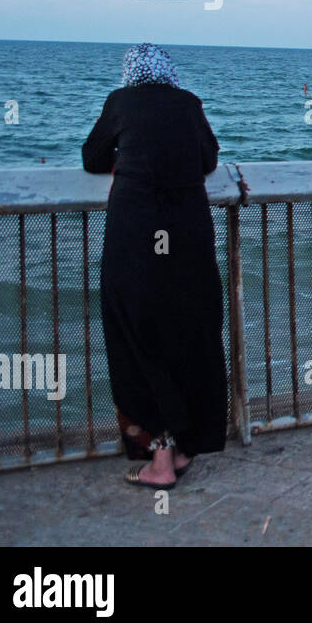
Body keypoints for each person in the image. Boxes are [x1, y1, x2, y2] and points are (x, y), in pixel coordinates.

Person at [81, 44, 227, 490]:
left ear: (131, 72)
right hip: (189, 239)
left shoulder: (120, 102)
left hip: (136, 239)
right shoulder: (188, 104)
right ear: (169, 73)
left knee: (138, 338)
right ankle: (185, 448)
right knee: (190, 333)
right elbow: (209, 160)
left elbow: (92, 158)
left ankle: (159, 462)